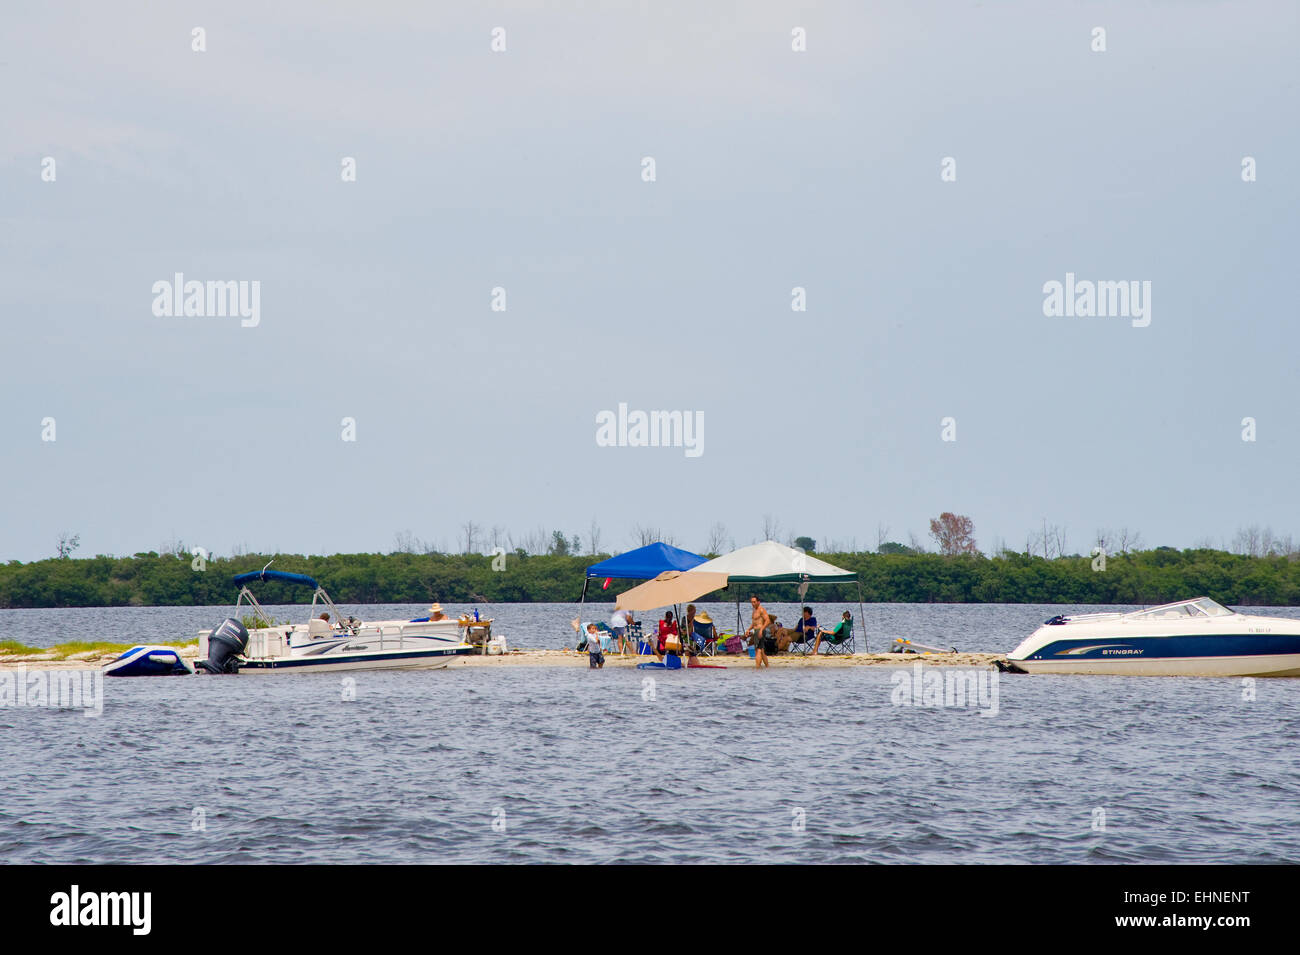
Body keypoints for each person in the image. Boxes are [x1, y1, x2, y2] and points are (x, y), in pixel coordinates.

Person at [743, 595, 773, 668]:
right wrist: (748, 629)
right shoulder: (754, 610)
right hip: (756, 630)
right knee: (761, 650)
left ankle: (757, 668)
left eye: (754, 602)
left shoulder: (761, 610)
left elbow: (768, 620)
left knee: (758, 650)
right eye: (751, 602)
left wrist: (762, 630)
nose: (753, 604)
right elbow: (754, 623)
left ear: (758, 602)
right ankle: (767, 666)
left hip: (760, 631)